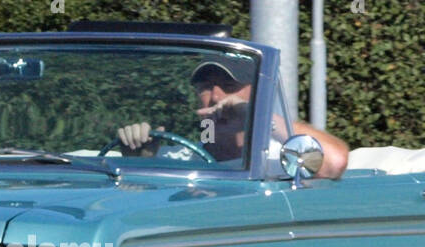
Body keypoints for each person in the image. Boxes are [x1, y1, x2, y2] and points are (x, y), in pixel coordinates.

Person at [116, 55, 349, 178]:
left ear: (255, 92)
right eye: (206, 87)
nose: (216, 97)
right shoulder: (176, 160)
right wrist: (137, 160)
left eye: (229, 85)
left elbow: (334, 162)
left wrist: (258, 116)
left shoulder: (282, 157)